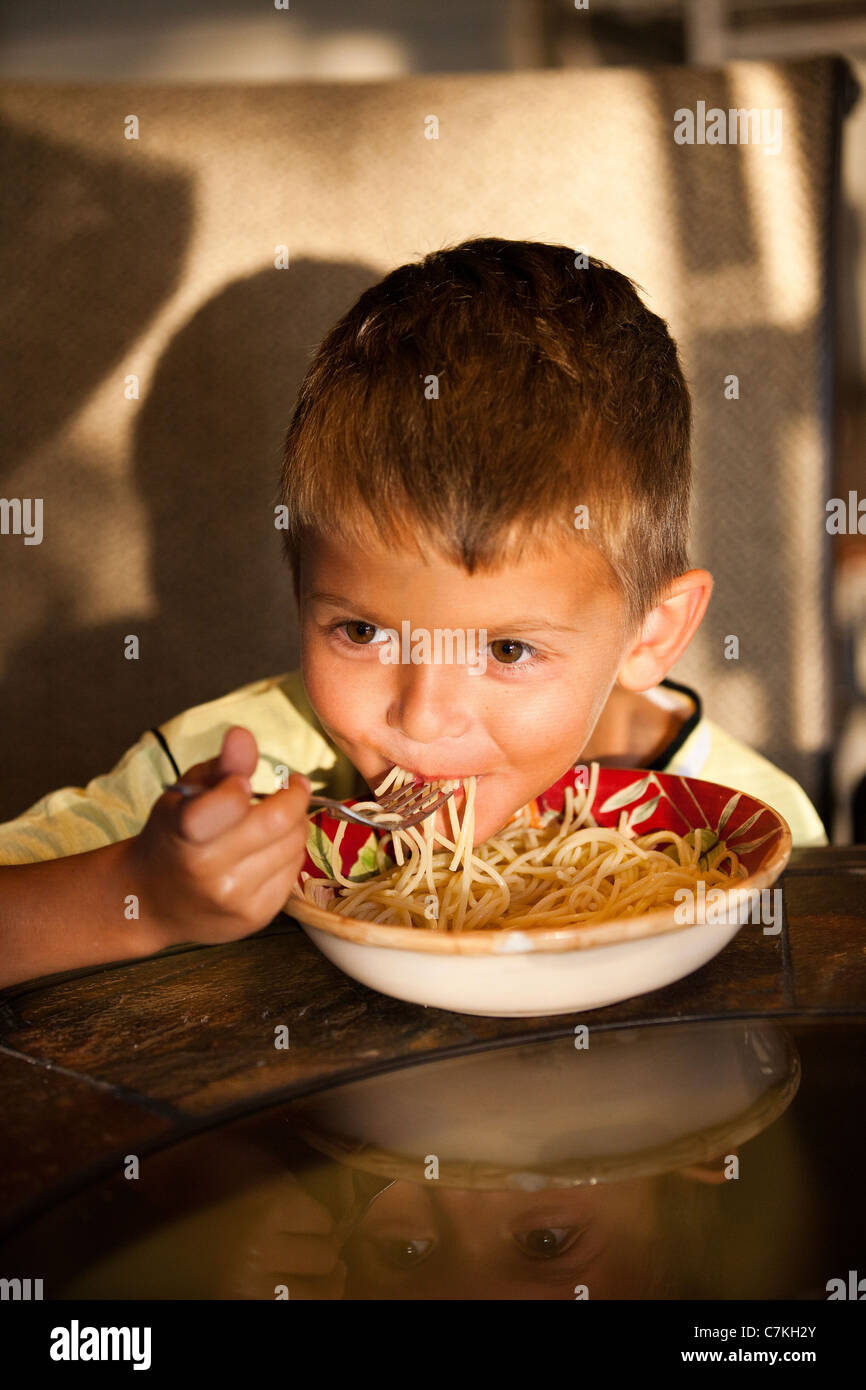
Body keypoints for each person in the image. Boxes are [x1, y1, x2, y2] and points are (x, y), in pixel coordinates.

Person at [0, 238, 827, 988]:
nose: (422, 719)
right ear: (300, 594)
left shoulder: (748, 830)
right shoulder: (223, 778)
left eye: (507, 650)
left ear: (653, 634)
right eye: (361, 632)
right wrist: (141, 891)